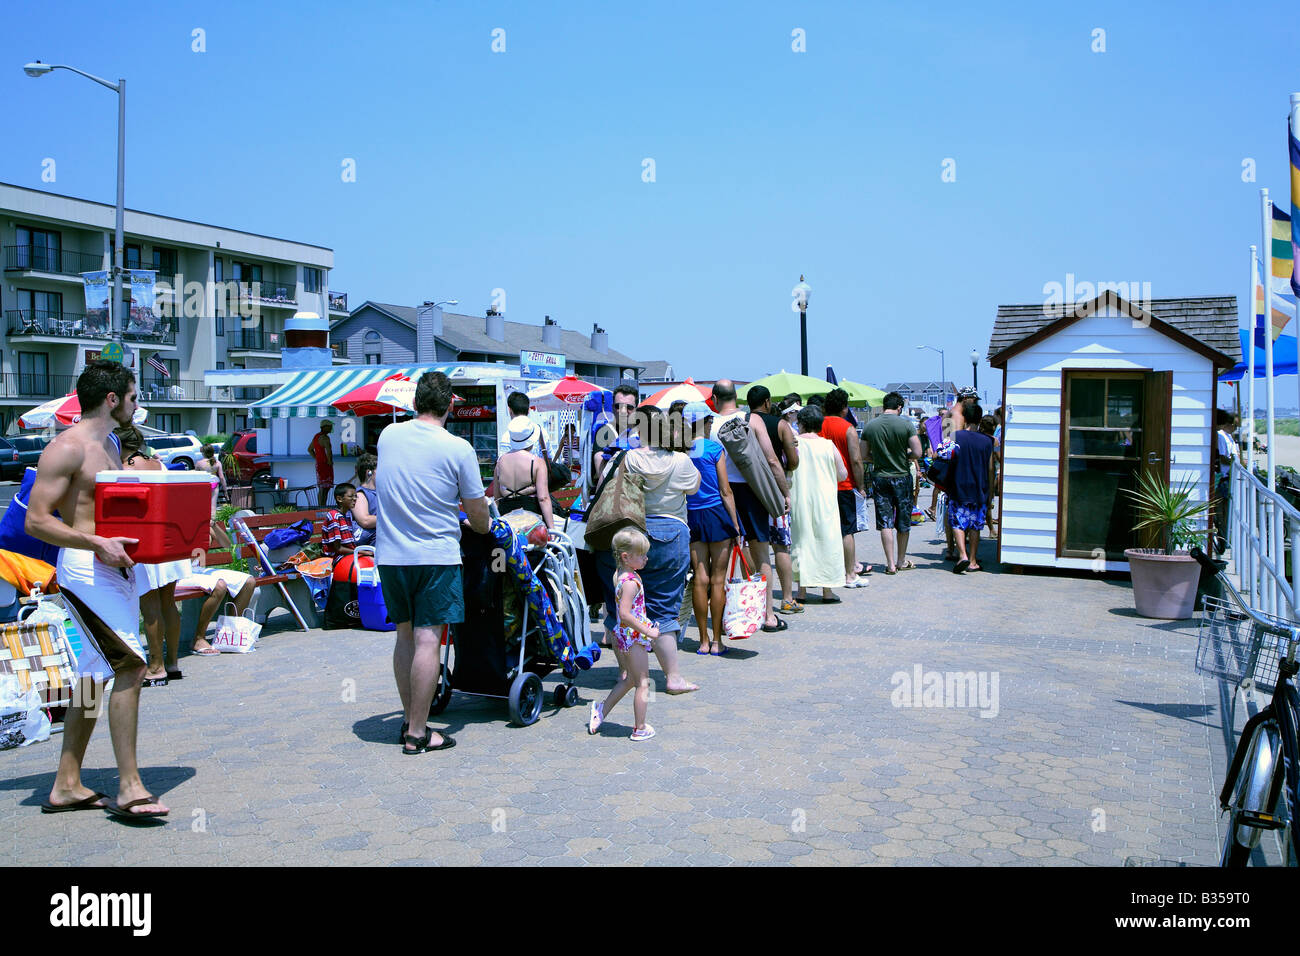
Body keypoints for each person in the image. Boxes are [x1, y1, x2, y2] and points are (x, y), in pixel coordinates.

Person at [28, 361, 169, 818]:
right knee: (131, 665)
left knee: (91, 677)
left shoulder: (110, 443)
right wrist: (95, 542)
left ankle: (67, 784)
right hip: (85, 572)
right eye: (132, 396)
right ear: (112, 399)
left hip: (117, 569)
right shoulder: (66, 448)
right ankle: (129, 787)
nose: (136, 404)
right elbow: (37, 520)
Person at [377, 371, 490, 754]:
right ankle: (418, 733)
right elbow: (479, 516)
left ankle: (410, 719)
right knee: (429, 639)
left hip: (391, 555)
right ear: (449, 406)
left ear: (413, 403)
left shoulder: (387, 436)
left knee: (405, 636)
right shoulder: (458, 448)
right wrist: (476, 520)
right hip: (435, 556)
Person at [595, 405, 700, 693]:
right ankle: (673, 678)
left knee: (622, 609)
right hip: (672, 532)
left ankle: (626, 674)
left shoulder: (628, 458)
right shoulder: (681, 461)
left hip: (633, 533)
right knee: (665, 609)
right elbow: (693, 488)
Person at [710, 380, 791, 633]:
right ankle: (767, 615)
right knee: (761, 554)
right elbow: (772, 460)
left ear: (714, 398)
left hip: (722, 494)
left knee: (722, 559)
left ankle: (725, 617)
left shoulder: (708, 425)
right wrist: (784, 493)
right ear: (736, 396)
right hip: (752, 492)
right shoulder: (752, 419)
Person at [117, 425, 191, 687]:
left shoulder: (125, 467)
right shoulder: (157, 464)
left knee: (149, 607)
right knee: (168, 603)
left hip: (144, 540)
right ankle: (172, 663)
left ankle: (156, 666)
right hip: (167, 538)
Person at [587, 528, 658, 740]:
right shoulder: (630, 583)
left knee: (629, 680)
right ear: (626, 557)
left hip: (625, 637)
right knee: (643, 683)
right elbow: (625, 614)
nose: (646, 558)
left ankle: (601, 711)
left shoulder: (621, 574)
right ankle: (640, 727)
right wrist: (648, 630)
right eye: (642, 554)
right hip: (633, 637)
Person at [683, 401, 741, 654]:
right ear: (705, 422)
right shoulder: (714, 449)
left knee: (699, 578)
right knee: (718, 581)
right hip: (716, 514)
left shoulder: (682, 451)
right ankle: (717, 641)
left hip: (692, 515)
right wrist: (736, 525)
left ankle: (703, 641)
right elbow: (725, 490)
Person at [748, 385, 802, 615]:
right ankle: (787, 598)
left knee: (753, 547)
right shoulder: (779, 425)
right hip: (774, 490)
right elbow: (793, 460)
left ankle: (756, 600)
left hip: (749, 490)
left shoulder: (743, 422)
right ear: (768, 402)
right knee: (781, 545)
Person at [789, 405, 849, 604]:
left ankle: (802, 591)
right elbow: (843, 474)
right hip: (825, 500)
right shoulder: (828, 445)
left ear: (802, 423)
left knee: (801, 542)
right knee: (827, 541)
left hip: (800, 498)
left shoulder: (796, 444)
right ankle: (827, 591)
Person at [861, 391, 924, 574]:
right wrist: (905, 456)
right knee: (903, 521)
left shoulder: (870, 426)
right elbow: (918, 452)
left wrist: (880, 459)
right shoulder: (906, 424)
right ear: (899, 407)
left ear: (883, 406)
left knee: (885, 521)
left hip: (880, 476)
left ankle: (889, 564)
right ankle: (901, 560)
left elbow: (864, 455)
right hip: (902, 476)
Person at [820, 388, 870, 587]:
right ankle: (850, 574)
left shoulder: (818, 426)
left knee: (826, 530)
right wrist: (861, 485)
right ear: (844, 408)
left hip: (823, 484)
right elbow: (856, 460)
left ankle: (829, 573)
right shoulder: (847, 427)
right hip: (845, 485)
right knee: (846, 531)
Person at [949, 401, 996, 574]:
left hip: (958, 485)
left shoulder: (956, 436)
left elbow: (945, 457)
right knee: (975, 524)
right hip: (979, 487)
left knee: (957, 522)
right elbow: (991, 468)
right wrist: (990, 491)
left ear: (965, 418)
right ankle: (973, 561)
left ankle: (962, 554)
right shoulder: (987, 441)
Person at [493, 417, 555, 530]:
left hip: (506, 516)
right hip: (531, 517)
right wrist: (552, 528)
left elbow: (497, 497)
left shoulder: (500, 462)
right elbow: (543, 498)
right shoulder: (537, 462)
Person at [1214, 408, 1241, 554]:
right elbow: (1224, 457)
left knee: (1224, 511)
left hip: (1224, 477)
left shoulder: (1225, 437)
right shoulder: (1220, 436)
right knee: (1221, 512)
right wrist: (1235, 461)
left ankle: (1224, 539)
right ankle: (1223, 539)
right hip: (1222, 478)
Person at [195, 443, 231, 550]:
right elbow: (221, 477)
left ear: (203, 453)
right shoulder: (217, 463)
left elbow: (196, 477)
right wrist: (225, 490)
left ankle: (205, 520)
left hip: (203, 486)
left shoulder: (199, 463)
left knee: (202, 504)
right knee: (213, 505)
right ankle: (212, 520)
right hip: (214, 485)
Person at [322, 483, 359, 557]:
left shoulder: (348, 514)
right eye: (351, 496)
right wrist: (359, 552)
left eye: (355, 496)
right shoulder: (334, 516)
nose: (355, 499)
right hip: (336, 557)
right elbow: (338, 549)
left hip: (349, 553)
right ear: (339, 499)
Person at [352, 453, 378, 548]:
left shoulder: (379, 493)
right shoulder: (359, 495)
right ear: (369, 473)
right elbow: (365, 520)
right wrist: (392, 518)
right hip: (368, 548)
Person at [308, 420, 334, 509]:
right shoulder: (325, 438)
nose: (331, 428)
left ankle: (321, 507)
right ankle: (322, 507)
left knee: (322, 487)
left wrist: (317, 458)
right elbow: (328, 451)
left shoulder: (316, 436)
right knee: (325, 488)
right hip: (325, 466)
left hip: (319, 465)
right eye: (330, 426)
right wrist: (329, 461)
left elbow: (310, 449)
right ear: (325, 427)